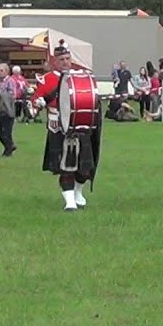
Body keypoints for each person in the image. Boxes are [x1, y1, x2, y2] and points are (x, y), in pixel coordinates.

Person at [35, 40, 102, 211]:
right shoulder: (46, 80)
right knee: (65, 165)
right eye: (61, 59)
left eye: (67, 58)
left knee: (85, 165)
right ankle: (69, 200)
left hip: (80, 123)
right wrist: (38, 102)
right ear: (54, 62)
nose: (65, 62)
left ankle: (78, 191)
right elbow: (34, 101)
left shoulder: (81, 76)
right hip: (58, 126)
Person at [0, 63, 17, 157]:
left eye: (1, 70)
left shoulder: (10, 81)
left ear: (7, 71)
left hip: (8, 109)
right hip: (0, 109)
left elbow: (13, 95)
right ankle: (10, 146)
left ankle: (8, 150)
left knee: (7, 132)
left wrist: (3, 95)